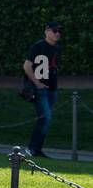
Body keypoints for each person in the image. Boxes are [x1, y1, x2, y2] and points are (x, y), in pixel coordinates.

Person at [23, 22, 62, 158]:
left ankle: (36, 148)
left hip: (52, 89)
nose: (57, 33)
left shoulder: (57, 48)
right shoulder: (38, 46)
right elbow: (27, 66)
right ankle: (33, 148)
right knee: (45, 117)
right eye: (54, 30)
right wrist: (37, 83)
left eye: (59, 31)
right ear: (47, 31)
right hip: (40, 89)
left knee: (45, 119)